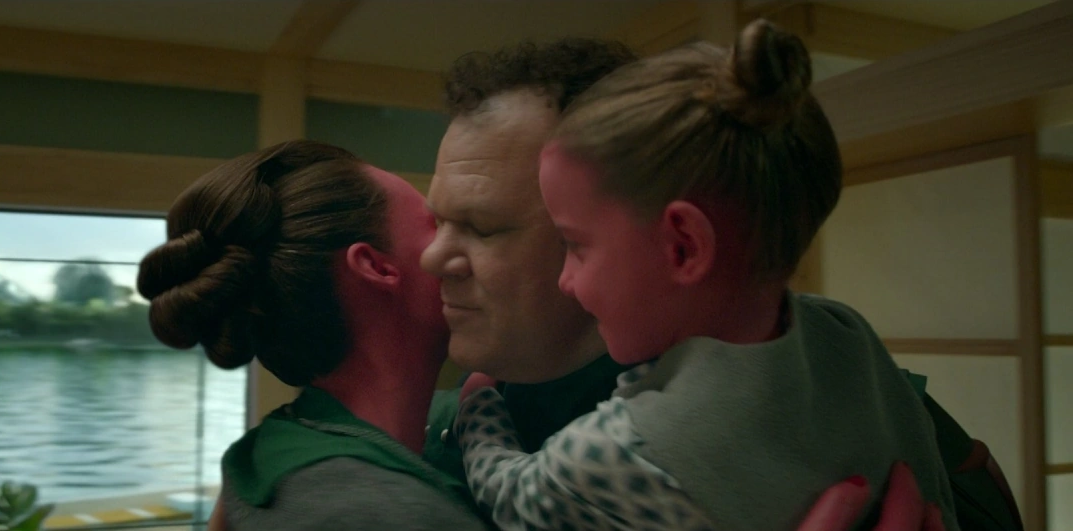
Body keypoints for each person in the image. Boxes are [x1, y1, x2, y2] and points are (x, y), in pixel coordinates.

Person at [421, 34, 1015, 531]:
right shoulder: (423, 437)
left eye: (481, 227)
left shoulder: (831, 357)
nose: (432, 256)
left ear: (681, 244)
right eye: (435, 221)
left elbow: (979, 488)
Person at [137, 140, 488, 531]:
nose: (457, 245)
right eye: (435, 225)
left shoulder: (275, 452)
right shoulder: (384, 512)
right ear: (376, 267)